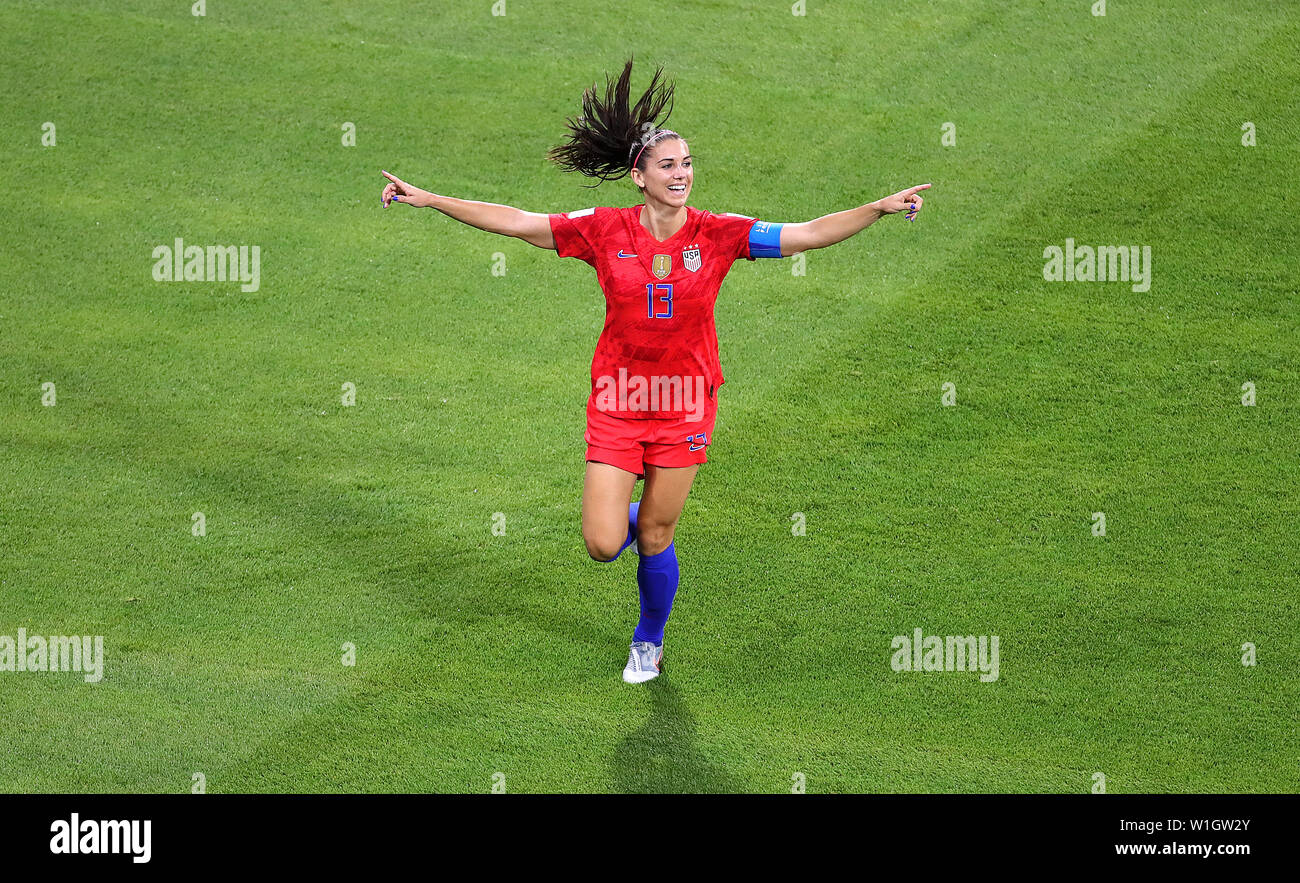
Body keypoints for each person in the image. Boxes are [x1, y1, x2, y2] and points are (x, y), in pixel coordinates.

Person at [380, 58, 929, 683]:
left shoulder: (719, 234)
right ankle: (631, 514)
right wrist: (428, 199)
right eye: (668, 165)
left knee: (658, 535)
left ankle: (649, 637)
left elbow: (806, 234)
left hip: (686, 403)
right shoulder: (602, 229)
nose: (682, 174)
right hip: (618, 399)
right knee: (602, 544)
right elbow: (516, 221)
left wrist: (879, 207)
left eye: (687, 163)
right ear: (638, 176)